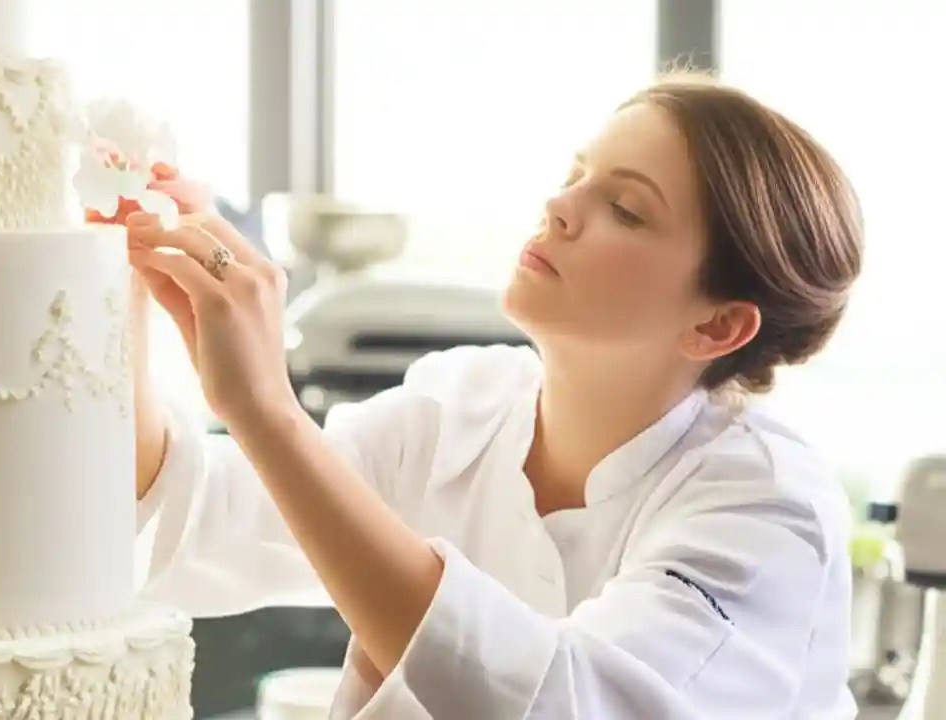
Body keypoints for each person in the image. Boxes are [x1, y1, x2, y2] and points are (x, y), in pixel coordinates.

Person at [127, 73, 864, 719]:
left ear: (716, 325)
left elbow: (561, 702)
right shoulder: (461, 408)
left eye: (626, 208)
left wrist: (268, 412)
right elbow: (187, 526)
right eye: (576, 175)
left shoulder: (767, 511)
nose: (559, 205)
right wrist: (119, 277)